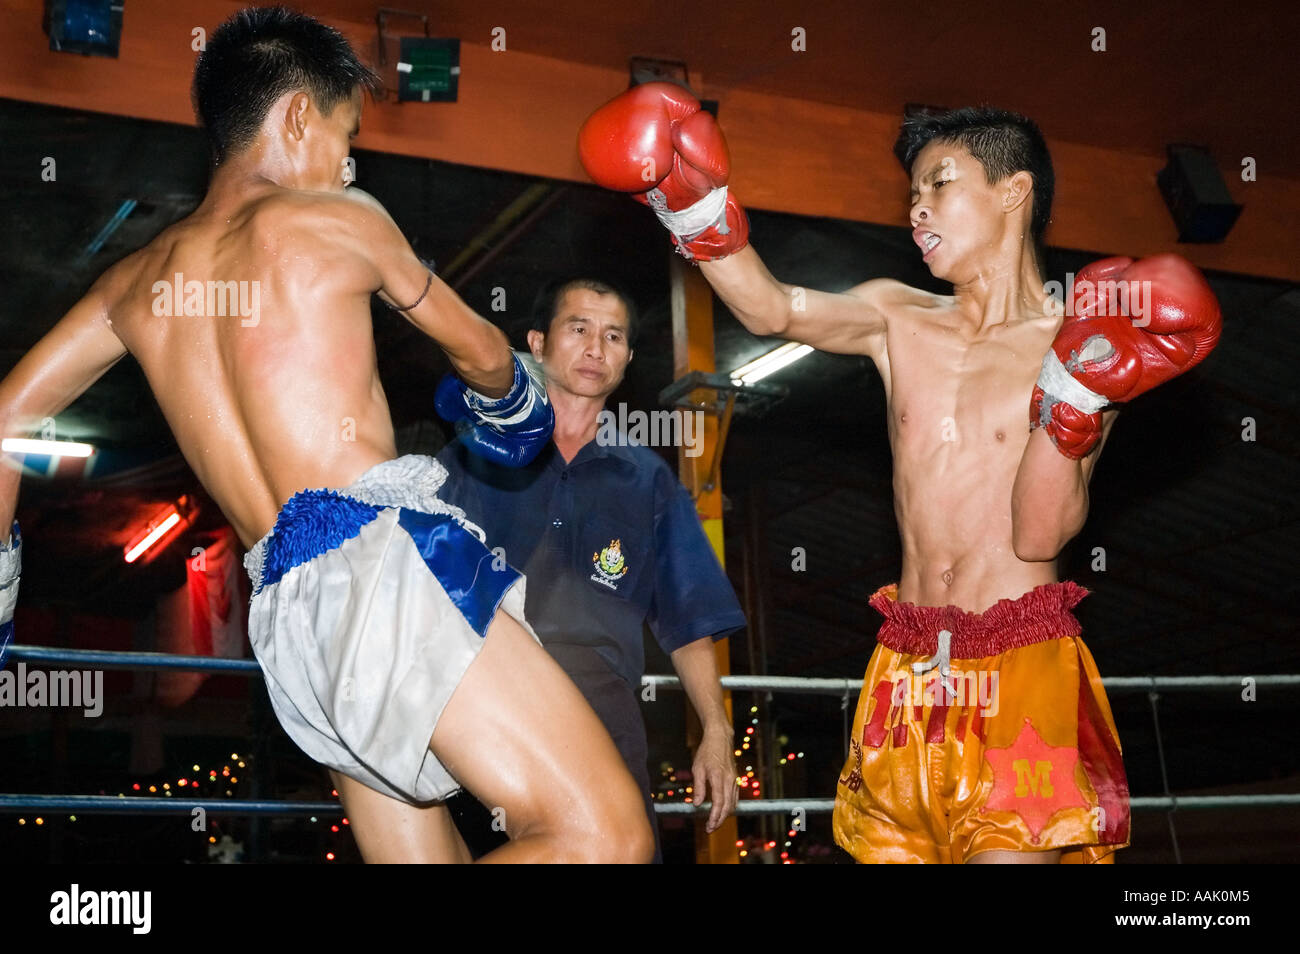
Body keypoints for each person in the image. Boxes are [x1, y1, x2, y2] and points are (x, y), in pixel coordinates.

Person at [0, 7, 654, 864]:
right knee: (605, 837)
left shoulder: (135, 283)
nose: (350, 161)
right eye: (346, 133)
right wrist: (513, 400)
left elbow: (8, 417)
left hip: (291, 621)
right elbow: (484, 352)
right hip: (383, 566)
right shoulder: (341, 219)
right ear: (297, 116)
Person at [579, 83, 1222, 863]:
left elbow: (1040, 532)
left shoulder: (1083, 339)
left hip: (1020, 666)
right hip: (907, 667)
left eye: (939, 184)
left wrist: (1073, 398)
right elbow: (774, 309)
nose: (916, 208)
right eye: (911, 194)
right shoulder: (896, 315)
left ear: (1013, 191)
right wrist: (691, 205)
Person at [436, 277, 745, 861]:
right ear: (538, 342)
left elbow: (689, 619)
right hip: (487, 701)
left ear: (627, 359)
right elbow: (415, 585)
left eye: (613, 336)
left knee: (625, 848)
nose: (595, 347)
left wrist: (717, 732)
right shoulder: (473, 458)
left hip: (605, 709)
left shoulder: (648, 479)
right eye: (577, 328)